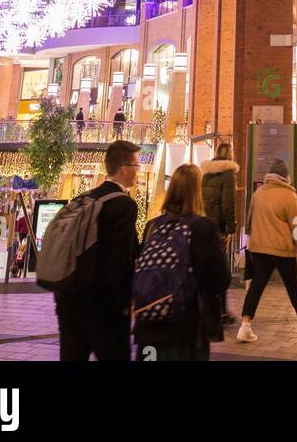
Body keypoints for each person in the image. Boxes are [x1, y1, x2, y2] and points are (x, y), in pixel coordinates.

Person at [54, 139, 140, 361]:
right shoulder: (124, 205)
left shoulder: (84, 198)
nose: (138, 171)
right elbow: (121, 260)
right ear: (123, 169)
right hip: (103, 307)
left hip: (69, 300)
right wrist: (125, 302)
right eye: (136, 166)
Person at [134, 163, 229, 361]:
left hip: (149, 323)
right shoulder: (203, 227)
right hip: (185, 325)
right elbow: (222, 279)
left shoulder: (153, 226)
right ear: (197, 191)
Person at [237, 160, 297, 344]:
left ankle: (245, 326)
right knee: (293, 287)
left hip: (258, 249)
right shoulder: (288, 196)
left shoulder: (259, 193)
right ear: (286, 177)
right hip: (282, 250)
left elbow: (249, 222)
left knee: (257, 286)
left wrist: (250, 245)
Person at [200, 142, 239, 324]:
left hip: (203, 224)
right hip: (218, 228)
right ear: (230, 154)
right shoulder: (228, 172)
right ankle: (221, 311)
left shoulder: (206, 172)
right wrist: (231, 228)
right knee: (221, 269)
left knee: (207, 268)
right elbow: (228, 202)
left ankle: (206, 309)